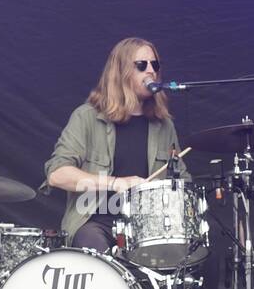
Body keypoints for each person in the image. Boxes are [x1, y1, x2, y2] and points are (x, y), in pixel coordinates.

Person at [44, 37, 188, 247]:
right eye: (141, 65)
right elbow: (57, 175)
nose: (151, 71)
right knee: (92, 243)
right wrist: (115, 182)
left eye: (154, 65)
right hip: (97, 223)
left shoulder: (164, 125)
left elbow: (183, 181)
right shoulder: (86, 117)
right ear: (120, 72)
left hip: (149, 229)